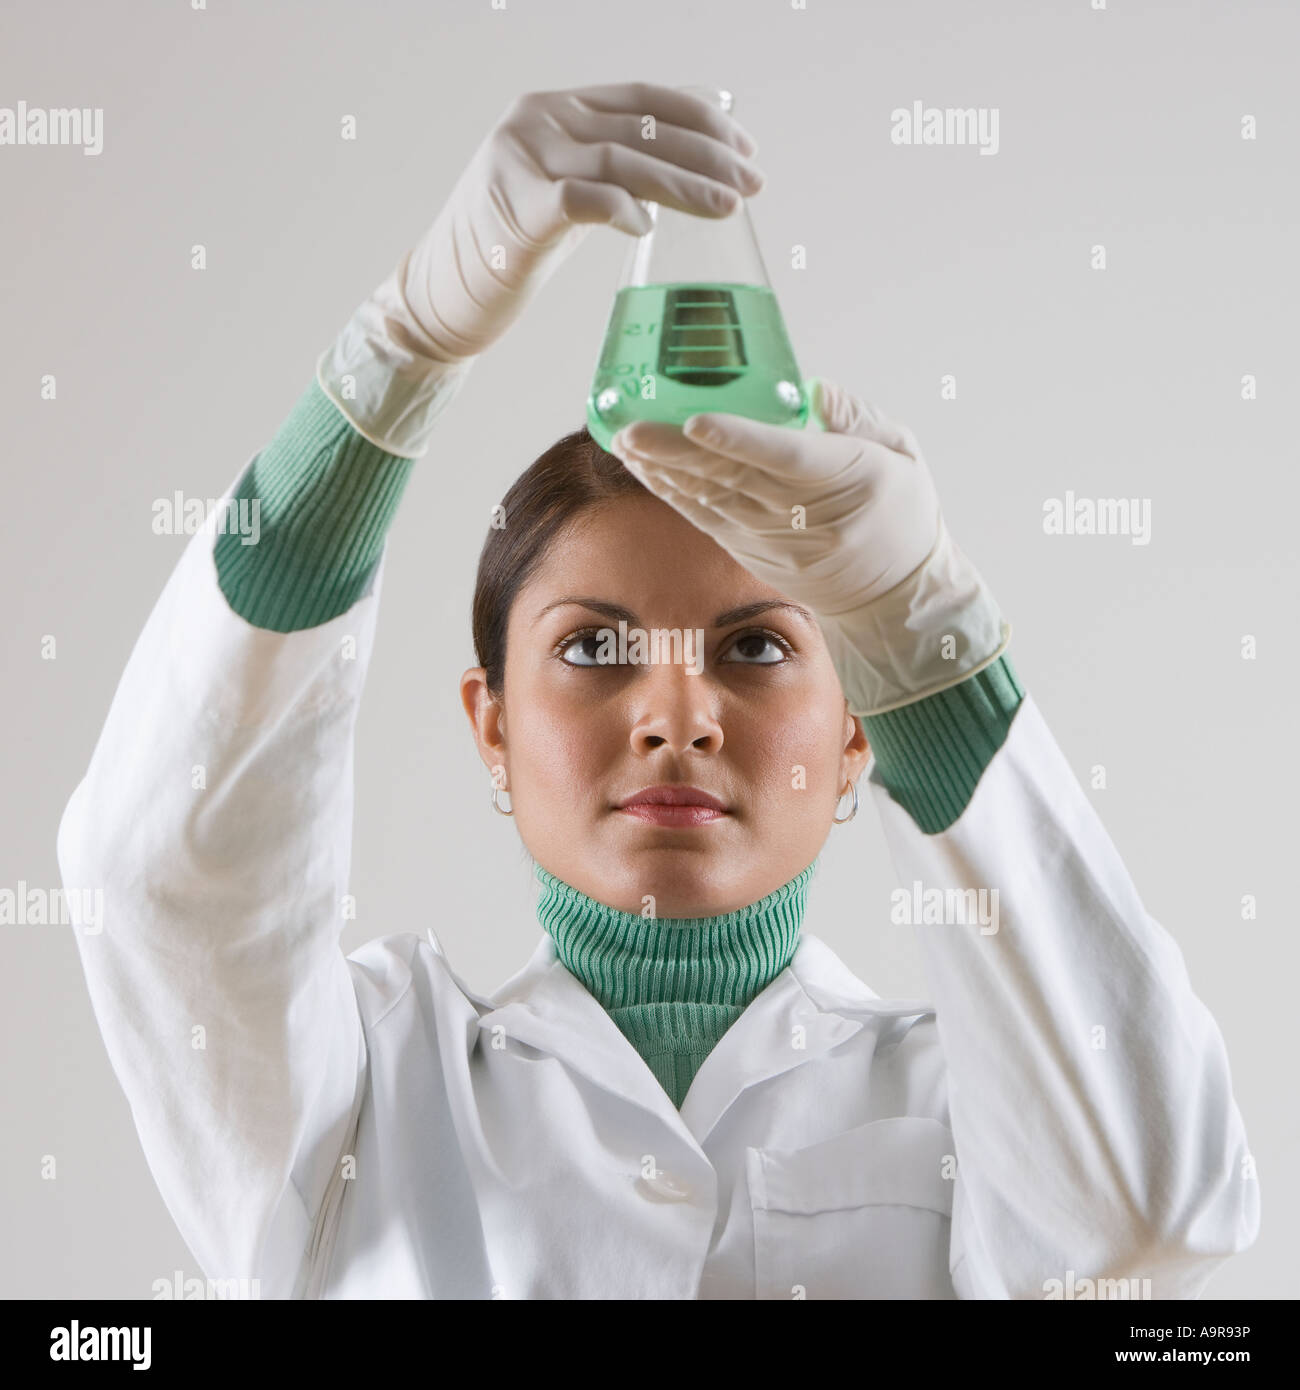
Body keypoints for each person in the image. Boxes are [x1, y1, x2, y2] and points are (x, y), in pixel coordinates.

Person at [58, 82, 1259, 1300]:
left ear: (855, 735)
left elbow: (1145, 1216)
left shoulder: (969, 1102)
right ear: (491, 724)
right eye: (592, 649)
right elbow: (161, 877)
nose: (675, 713)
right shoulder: (368, 1090)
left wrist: (918, 621)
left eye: (753, 648)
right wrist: (396, 356)